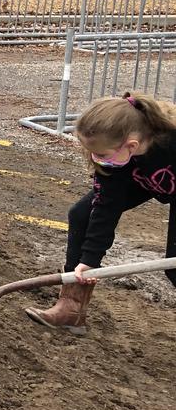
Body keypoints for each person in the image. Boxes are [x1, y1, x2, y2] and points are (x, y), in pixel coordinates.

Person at [25, 92, 176, 335]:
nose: (97, 159)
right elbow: (106, 205)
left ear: (132, 145)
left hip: (166, 178)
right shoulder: (116, 159)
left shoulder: (171, 145)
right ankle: (70, 309)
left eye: (102, 155)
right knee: (82, 214)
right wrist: (88, 262)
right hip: (150, 181)